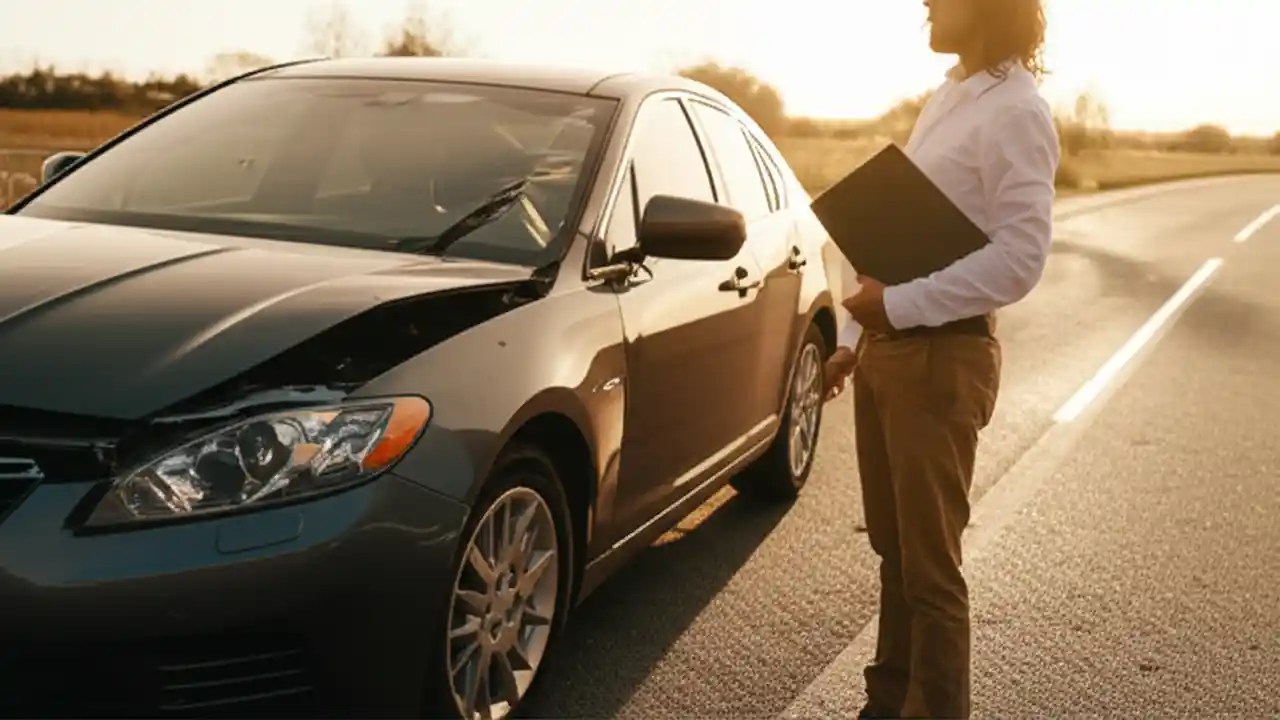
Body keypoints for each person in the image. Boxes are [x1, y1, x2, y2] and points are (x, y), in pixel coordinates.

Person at [824, 0, 1060, 717]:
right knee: (896, 559)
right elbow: (897, 237)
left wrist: (894, 307)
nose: (925, 2)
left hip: (940, 361)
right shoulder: (951, 96)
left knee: (930, 574)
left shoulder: (1017, 111)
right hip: (888, 355)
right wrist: (850, 339)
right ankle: (886, 705)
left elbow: (1021, 259)